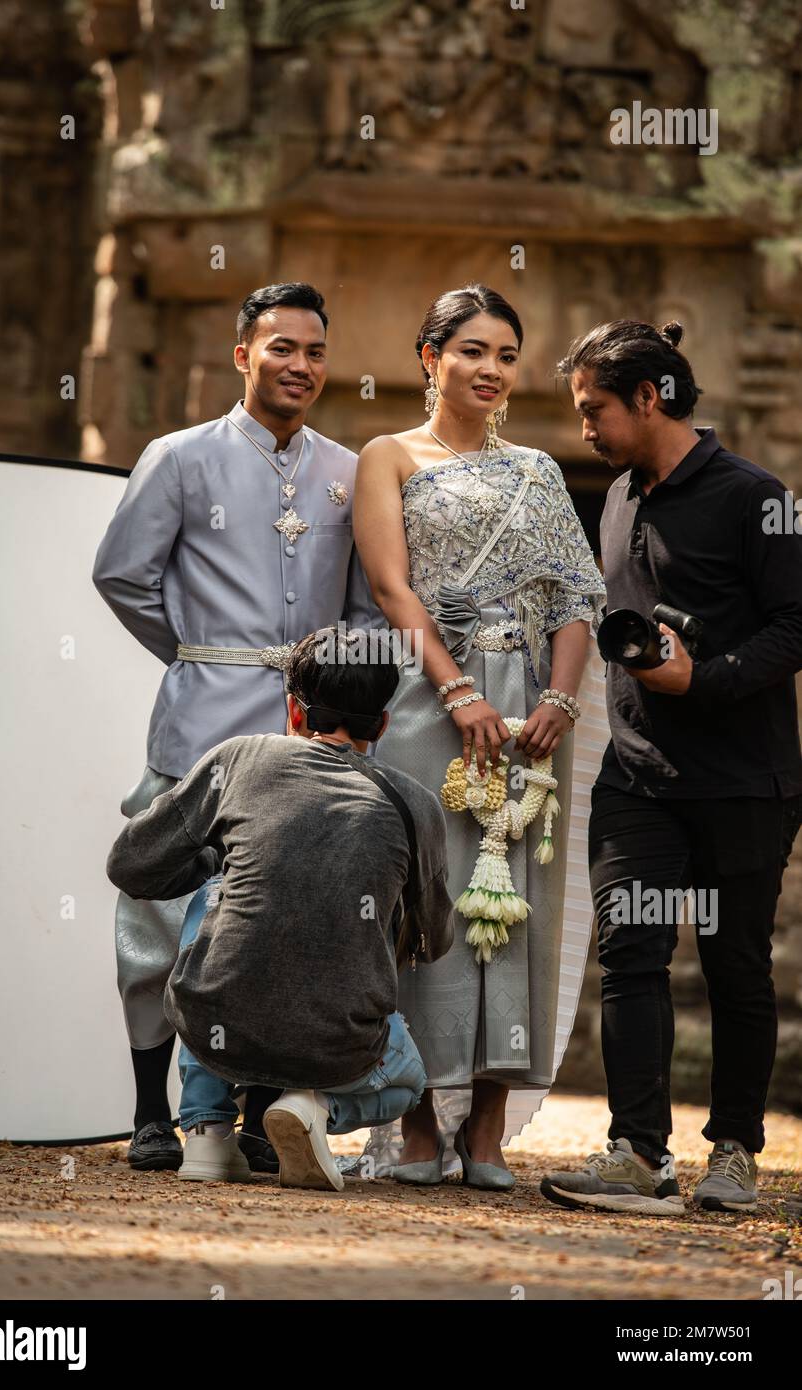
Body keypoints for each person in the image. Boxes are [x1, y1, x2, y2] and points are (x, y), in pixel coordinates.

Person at [92, 282, 383, 1175]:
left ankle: (255, 1120)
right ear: (242, 355)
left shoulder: (349, 473)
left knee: (280, 927)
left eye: (315, 352)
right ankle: (152, 1113)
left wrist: (333, 684)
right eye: (281, 347)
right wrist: (196, 658)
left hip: (308, 745)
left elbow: (370, 610)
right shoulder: (178, 458)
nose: (299, 365)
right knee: (159, 918)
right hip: (201, 728)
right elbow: (122, 576)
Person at [541, 319, 802, 1216]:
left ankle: (732, 1151)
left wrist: (709, 675)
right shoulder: (616, 495)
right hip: (637, 778)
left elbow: (797, 624)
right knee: (629, 953)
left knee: (735, 965)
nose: (583, 428)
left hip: (742, 782)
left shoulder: (757, 496)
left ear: (649, 398)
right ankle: (636, 1154)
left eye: (593, 409)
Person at [352, 284, 607, 1188]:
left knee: (516, 908)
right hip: (431, 699)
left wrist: (561, 703)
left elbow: (577, 599)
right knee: (429, 900)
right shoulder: (387, 456)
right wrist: (456, 689)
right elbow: (390, 588)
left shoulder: (539, 472)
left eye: (505, 354)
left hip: (532, 708)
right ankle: (421, 1124)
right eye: (471, 351)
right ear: (430, 359)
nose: (490, 369)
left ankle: (489, 1131)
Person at [104, 629, 454, 1191]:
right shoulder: (416, 802)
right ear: (382, 725)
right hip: (338, 1044)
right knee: (406, 1083)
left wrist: (217, 859)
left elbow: (130, 866)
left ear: (292, 708)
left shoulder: (238, 758)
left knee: (216, 896)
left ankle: (207, 1134)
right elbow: (434, 941)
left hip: (215, 1022)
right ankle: (306, 1105)